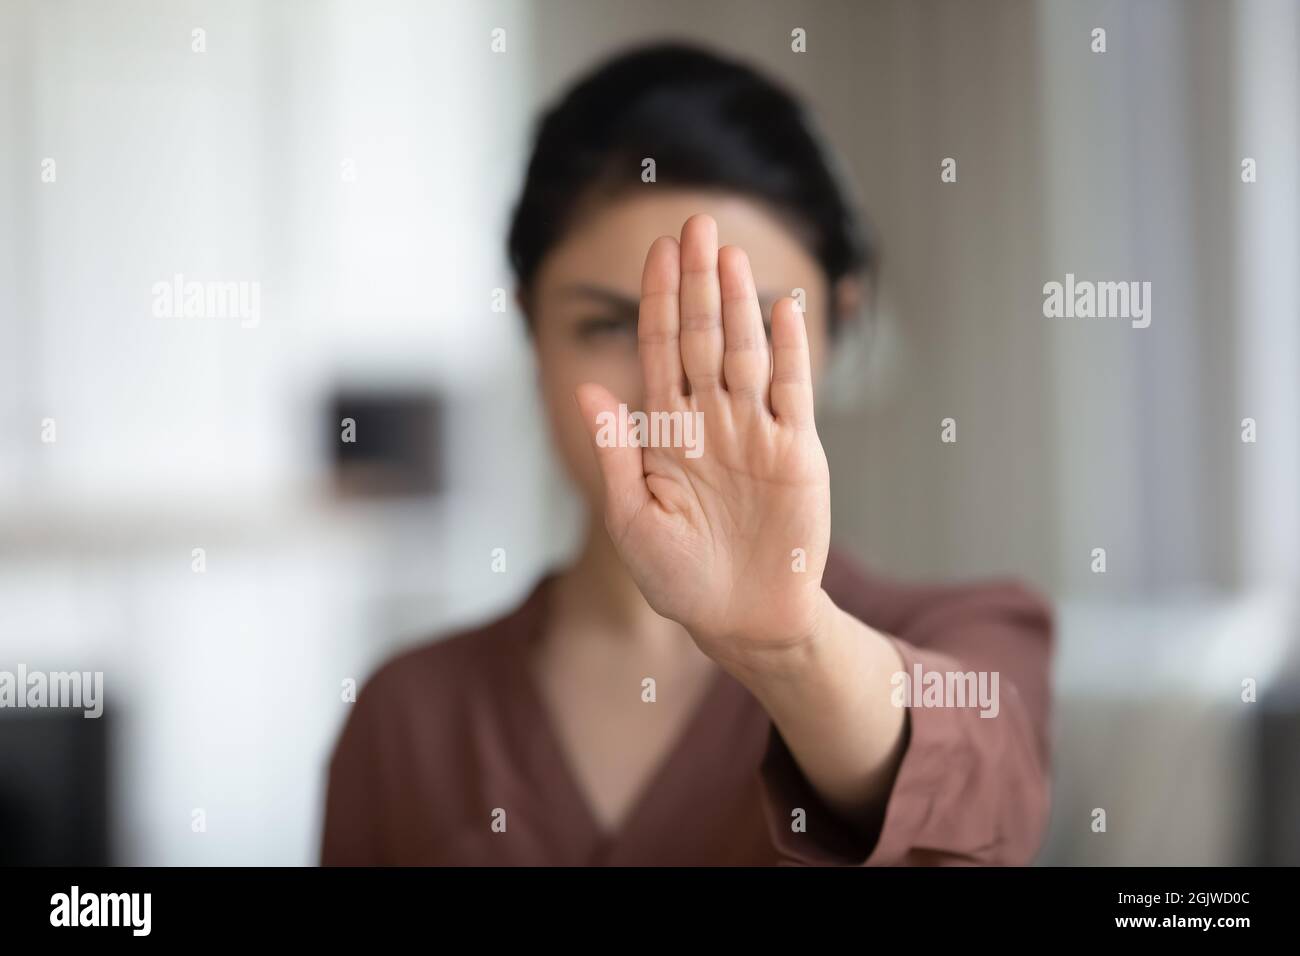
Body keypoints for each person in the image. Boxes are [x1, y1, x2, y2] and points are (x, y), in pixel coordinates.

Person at [321, 42, 1052, 866]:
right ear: (530, 331)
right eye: (604, 325)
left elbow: (985, 816)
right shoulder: (407, 715)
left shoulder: (977, 638)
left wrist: (789, 643)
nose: (671, 391)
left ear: (840, 330)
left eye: (741, 327)